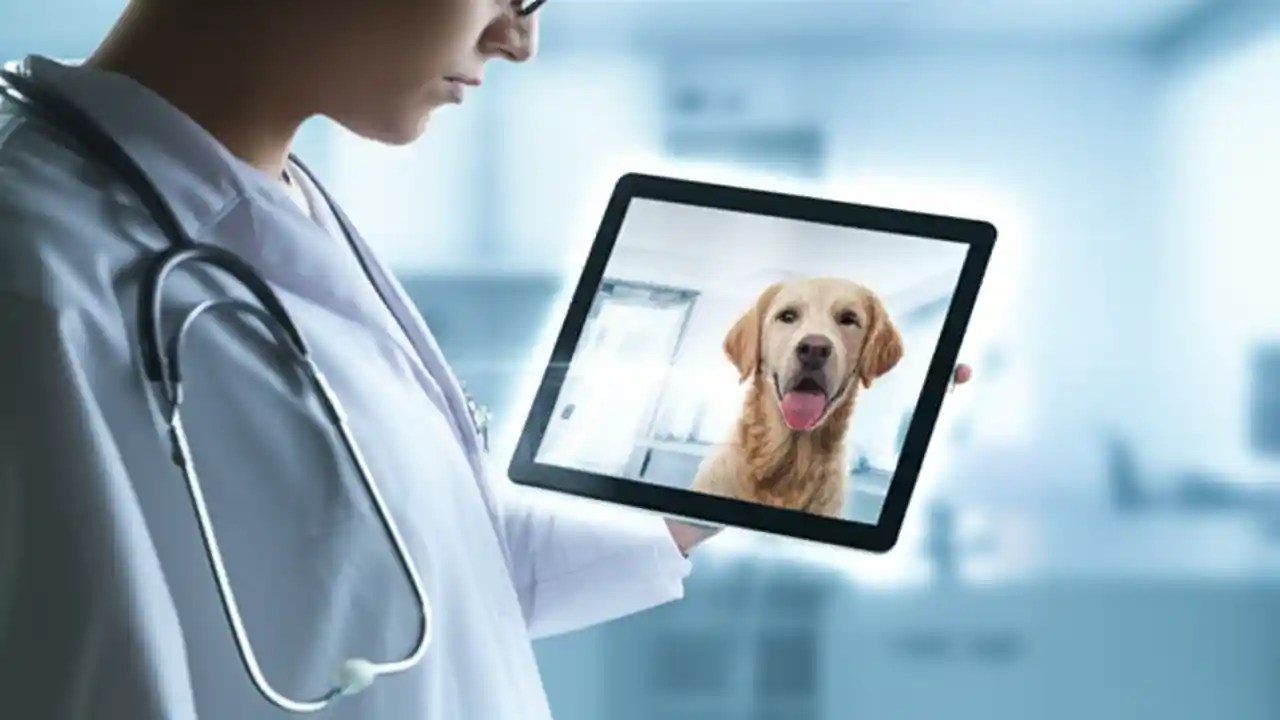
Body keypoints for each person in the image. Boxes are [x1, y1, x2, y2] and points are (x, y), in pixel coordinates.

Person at [0, 0, 973, 718]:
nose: (521, 34)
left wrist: (736, 490)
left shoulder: (284, 201)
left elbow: (422, 566)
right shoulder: (36, 272)